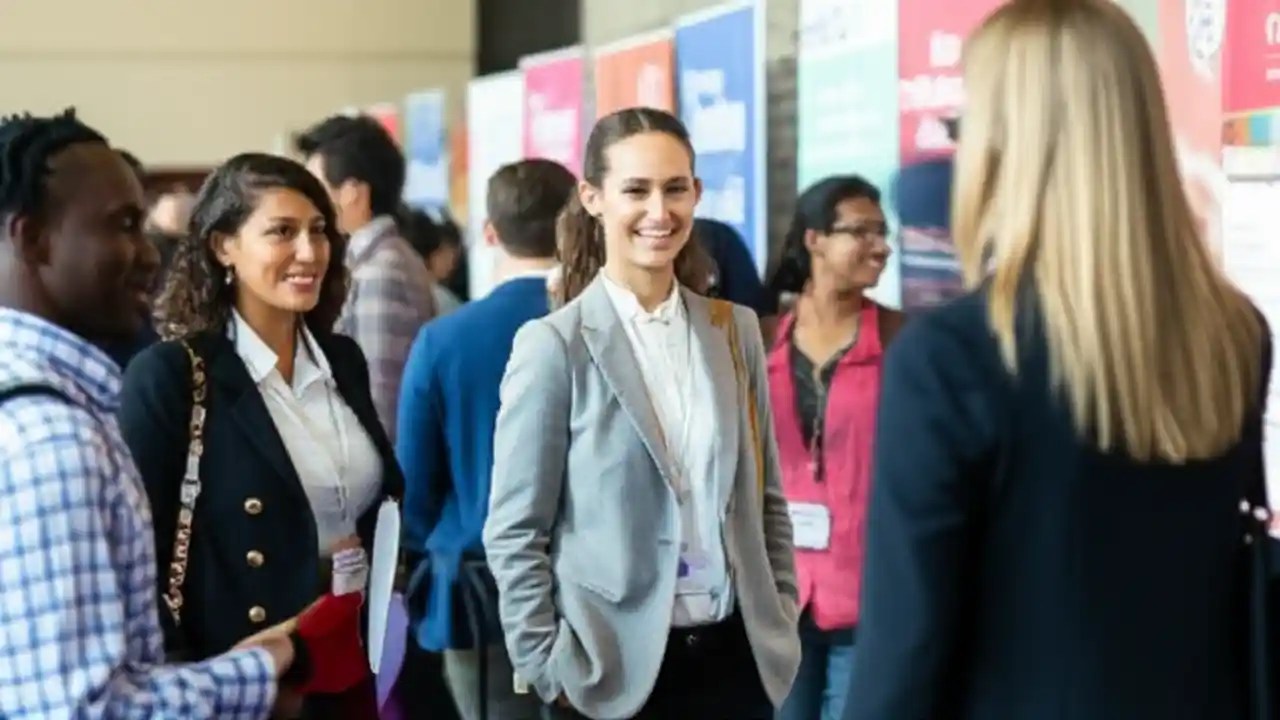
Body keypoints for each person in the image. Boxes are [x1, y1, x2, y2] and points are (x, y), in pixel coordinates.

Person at [843, 2, 1270, 719]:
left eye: (964, 125)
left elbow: (905, 652)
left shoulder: (952, 360)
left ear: (1011, 145)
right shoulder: (1234, 335)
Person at [483, 107, 800, 720]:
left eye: (675, 188)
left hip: (736, 657)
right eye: (636, 190)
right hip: (609, 673)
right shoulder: (555, 345)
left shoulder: (733, 331)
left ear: (697, 193)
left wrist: (779, 610)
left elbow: (766, 500)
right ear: (593, 198)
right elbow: (516, 528)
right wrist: (548, 664)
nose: (660, 212)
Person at [0, 110, 299, 718]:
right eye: (124, 226)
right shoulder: (52, 439)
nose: (148, 255)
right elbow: (81, 709)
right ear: (33, 239)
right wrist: (264, 669)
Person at [119, 153, 404, 719]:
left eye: (319, 231)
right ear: (223, 246)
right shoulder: (173, 374)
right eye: (281, 232)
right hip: (249, 675)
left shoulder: (341, 359)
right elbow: (144, 553)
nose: (309, 252)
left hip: (356, 655)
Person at [398, 158, 576, 720]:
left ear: (490, 232)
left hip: (475, 589)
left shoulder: (443, 339)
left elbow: (415, 482)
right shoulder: (604, 326)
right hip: (590, 592)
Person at [765, 175, 903, 720]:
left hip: (871, 596)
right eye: (861, 231)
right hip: (781, 598)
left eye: (883, 231)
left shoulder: (902, 340)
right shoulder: (758, 337)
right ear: (815, 239)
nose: (881, 245)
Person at [295, 114, 436, 442]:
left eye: (315, 187)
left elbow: (380, 406)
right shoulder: (371, 261)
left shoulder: (382, 271)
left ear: (353, 193)